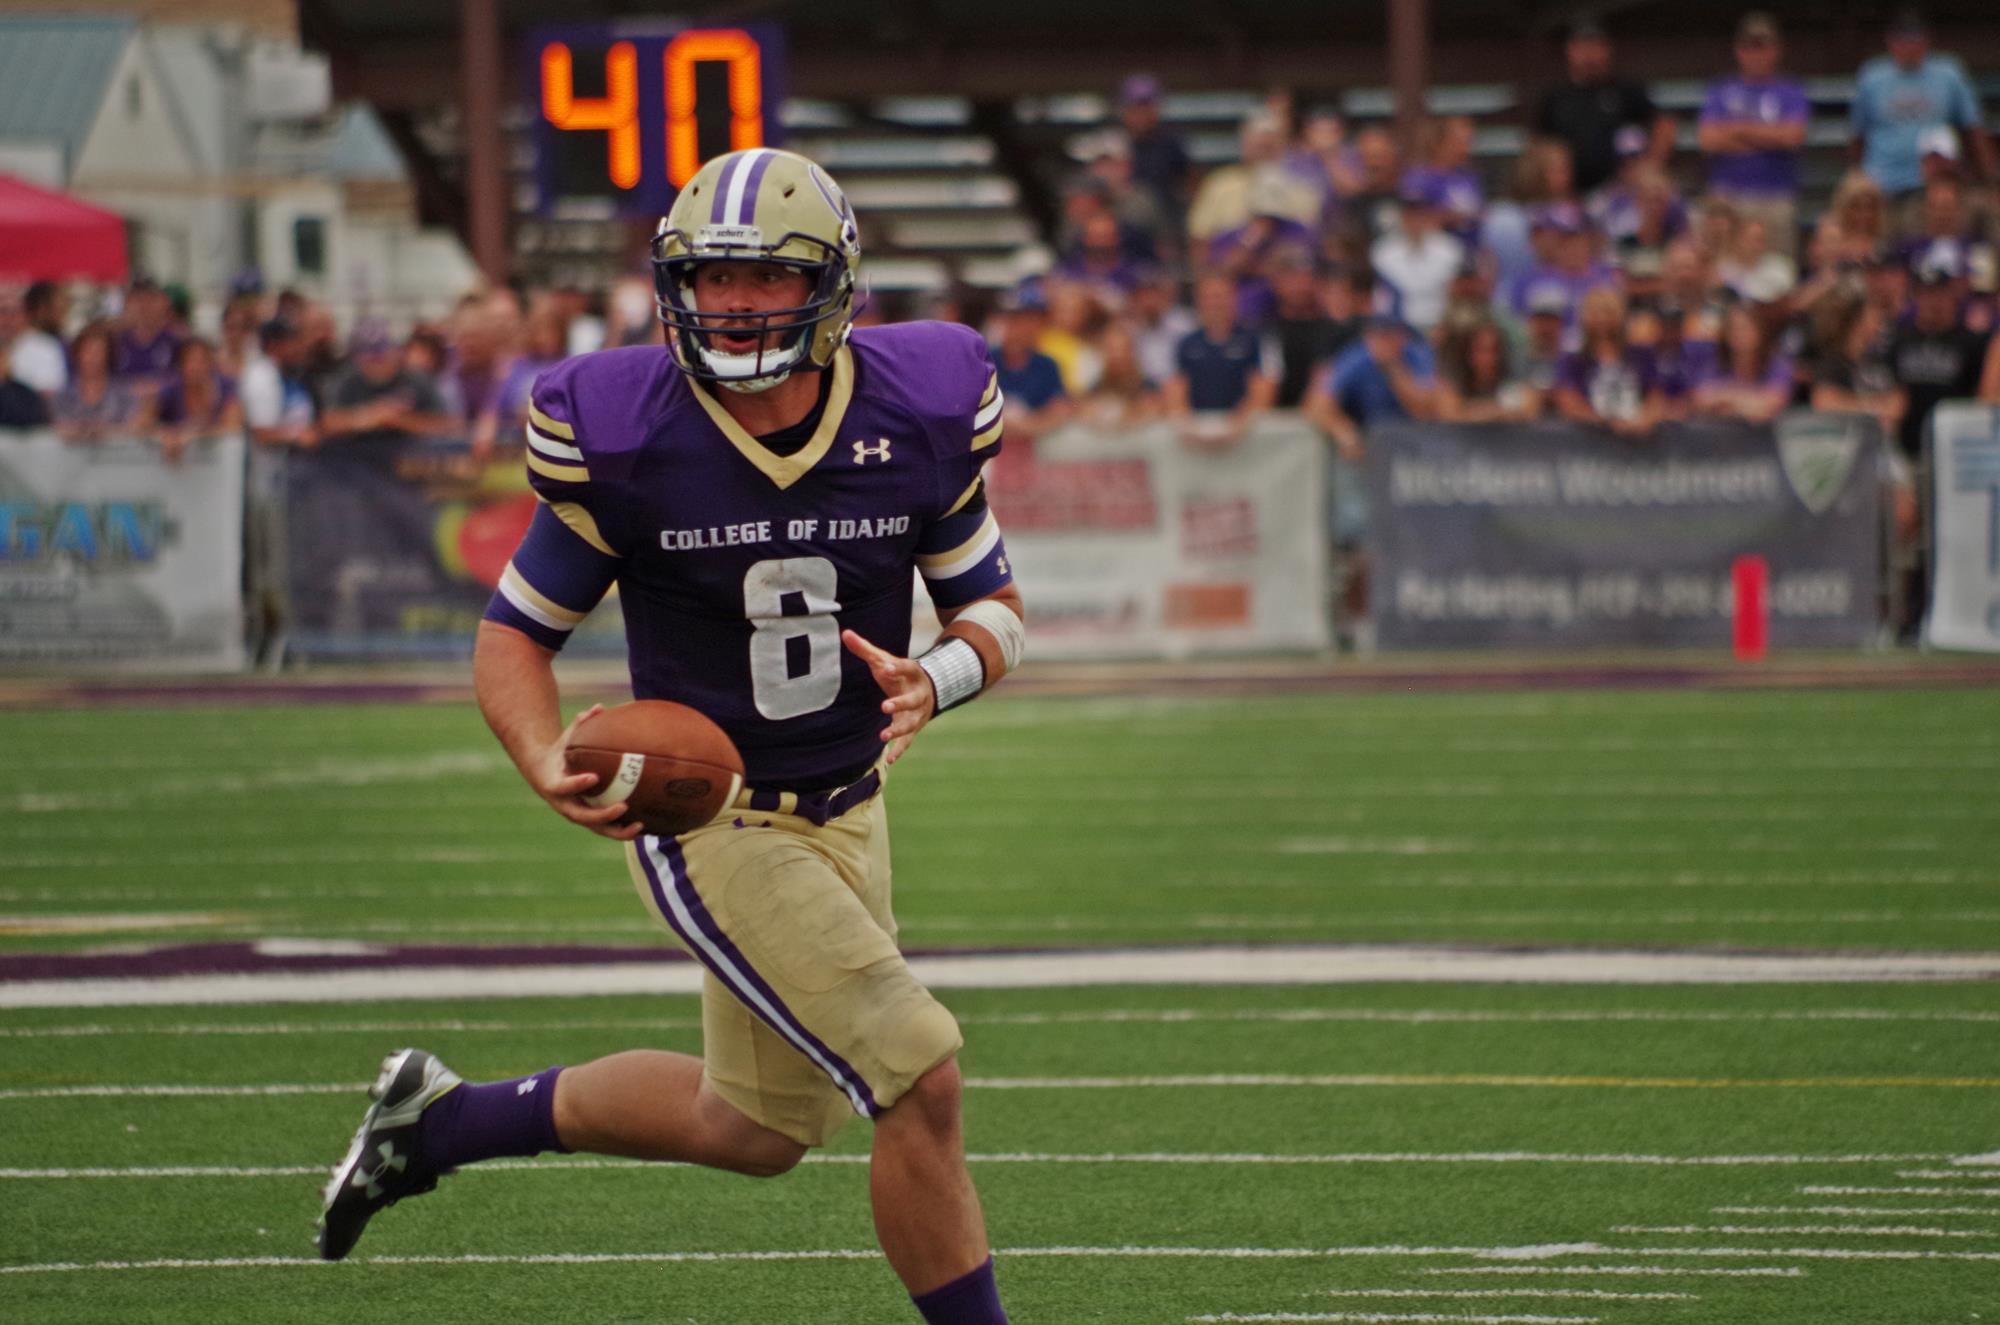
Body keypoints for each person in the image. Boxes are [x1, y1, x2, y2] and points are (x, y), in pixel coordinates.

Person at [314, 147, 1025, 1325]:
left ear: (835, 285)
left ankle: (440, 1119)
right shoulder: (633, 435)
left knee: (751, 1127)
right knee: (919, 1073)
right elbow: (512, 636)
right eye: (710, 277)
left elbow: (993, 608)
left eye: (765, 276)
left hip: (850, 801)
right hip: (716, 821)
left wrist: (940, 673)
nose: (734, 304)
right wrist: (545, 760)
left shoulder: (917, 410)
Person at [1850, 9, 1997, 200]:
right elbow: (1857, 137)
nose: (1908, 47)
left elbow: (1974, 128)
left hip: (1935, 185)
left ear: (1926, 41)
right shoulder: (1871, 76)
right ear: (1890, 42)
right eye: (1902, 40)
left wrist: (1991, 178)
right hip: (1882, 181)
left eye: (1914, 39)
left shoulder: (1949, 74)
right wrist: (1857, 178)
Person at [1699, 12, 1810, 259]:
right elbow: (1708, 139)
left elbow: (1793, 136)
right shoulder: (1721, 89)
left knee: (1777, 269)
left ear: (1776, 50)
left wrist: (1739, 129)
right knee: (1723, 268)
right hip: (1727, 197)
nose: (1756, 55)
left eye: (1762, 47)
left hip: (1775, 196)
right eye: (1749, 47)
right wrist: (1769, 137)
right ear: (1739, 50)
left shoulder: (1790, 90)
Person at [1535, 16, 1673, 194]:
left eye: (1595, 46)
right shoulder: (1555, 97)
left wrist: (1650, 165)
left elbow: (1665, 124)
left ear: (1607, 49)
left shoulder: (1626, 91)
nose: (1589, 55)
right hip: (1570, 194)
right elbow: (1539, 145)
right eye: (1582, 47)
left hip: (1621, 193)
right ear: (1570, 50)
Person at [1165, 272, 1277, 445]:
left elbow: (1264, 387)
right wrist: (1187, 426)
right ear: (1198, 301)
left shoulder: (1255, 340)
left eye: (1221, 296)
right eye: (1209, 297)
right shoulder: (1185, 344)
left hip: (1243, 436)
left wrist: (1239, 425)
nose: (1215, 303)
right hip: (1196, 434)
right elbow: (1175, 388)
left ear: (1234, 298)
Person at [319, 321, 455, 449]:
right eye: (368, 355)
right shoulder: (347, 379)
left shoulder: (417, 379)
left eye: (381, 353)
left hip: (409, 459)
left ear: (397, 351)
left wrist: (397, 420)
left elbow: (446, 425)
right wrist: (367, 416)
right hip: (356, 461)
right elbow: (326, 423)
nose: (376, 361)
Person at [1552, 286, 1668, 436]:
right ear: (1584, 316)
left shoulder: (1641, 353)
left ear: (1621, 315)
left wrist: (1646, 419)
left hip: (1638, 434)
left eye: (1608, 311)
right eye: (1595, 312)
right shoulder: (1573, 358)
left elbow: (1656, 395)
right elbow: (1567, 401)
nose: (1602, 318)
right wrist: (1608, 423)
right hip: (1591, 437)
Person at [987, 282, 1073, 441]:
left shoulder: (1047, 365)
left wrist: (1030, 425)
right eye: (1014, 320)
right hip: (988, 457)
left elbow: (1060, 408)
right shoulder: (984, 362)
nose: (1021, 328)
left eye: (1031, 320)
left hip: (1035, 452)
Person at [1691, 303, 1793, 424]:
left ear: (1760, 331)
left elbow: (1773, 404)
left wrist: (1724, 399)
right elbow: (1700, 399)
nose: (1740, 334)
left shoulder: (1778, 364)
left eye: (1745, 328)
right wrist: (1750, 403)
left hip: (1763, 436)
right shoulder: (1716, 361)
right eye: (1734, 329)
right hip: (1721, 434)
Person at [144, 337, 241, 463]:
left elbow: (232, 425)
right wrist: (164, 434)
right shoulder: (171, 389)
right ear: (180, 365)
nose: (196, 367)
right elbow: (141, 422)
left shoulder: (226, 387)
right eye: (190, 361)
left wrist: (187, 435)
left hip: (218, 465)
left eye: (202, 361)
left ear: (211, 363)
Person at [1436, 318, 1539, 423]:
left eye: (1494, 350)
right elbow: (1449, 414)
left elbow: (1530, 411)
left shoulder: (1514, 376)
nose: (1488, 357)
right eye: (1481, 350)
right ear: (1468, 353)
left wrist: (1469, 411)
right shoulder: (1456, 378)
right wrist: (1502, 411)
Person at [51, 322, 139, 441]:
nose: (93, 358)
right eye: (88, 351)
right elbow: (59, 428)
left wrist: (102, 431)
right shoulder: (64, 394)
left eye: (99, 352)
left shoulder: (123, 393)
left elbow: (134, 427)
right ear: (77, 354)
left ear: (109, 355)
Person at [11, 281, 69, 396]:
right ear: (42, 309)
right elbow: (48, 393)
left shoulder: (55, 342)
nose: (63, 314)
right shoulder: (41, 346)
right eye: (58, 307)